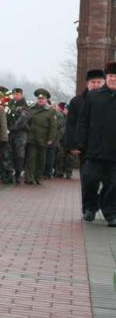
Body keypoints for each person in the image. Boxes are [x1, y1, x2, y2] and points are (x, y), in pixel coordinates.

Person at [74, 62, 116, 226]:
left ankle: (111, 213)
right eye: (111, 76)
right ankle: (90, 207)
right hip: (94, 149)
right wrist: (79, 142)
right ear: (107, 77)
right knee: (89, 180)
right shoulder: (94, 96)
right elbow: (83, 120)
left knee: (114, 184)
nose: (113, 79)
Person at [66, 69, 105, 212]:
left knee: (110, 181)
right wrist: (73, 145)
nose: (96, 85)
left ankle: (104, 204)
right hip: (86, 147)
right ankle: (88, 207)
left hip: (108, 146)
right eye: (93, 82)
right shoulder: (77, 101)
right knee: (88, 179)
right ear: (87, 84)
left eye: (99, 82)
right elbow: (71, 125)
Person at [24, 89, 57, 185]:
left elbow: (53, 127)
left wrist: (51, 139)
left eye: (43, 99)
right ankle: (29, 178)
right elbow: (26, 122)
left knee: (41, 159)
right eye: (39, 98)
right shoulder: (31, 109)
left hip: (43, 138)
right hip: (32, 137)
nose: (41, 100)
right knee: (31, 158)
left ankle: (38, 177)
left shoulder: (50, 111)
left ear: (46, 99)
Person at [4, 88, 31, 184]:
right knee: (8, 153)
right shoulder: (10, 105)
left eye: (17, 94)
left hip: (20, 133)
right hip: (10, 133)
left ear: (21, 94)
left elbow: (23, 119)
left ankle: (18, 174)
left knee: (19, 154)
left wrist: (13, 127)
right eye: (14, 94)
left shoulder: (24, 106)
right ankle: (9, 173)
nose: (15, 96)